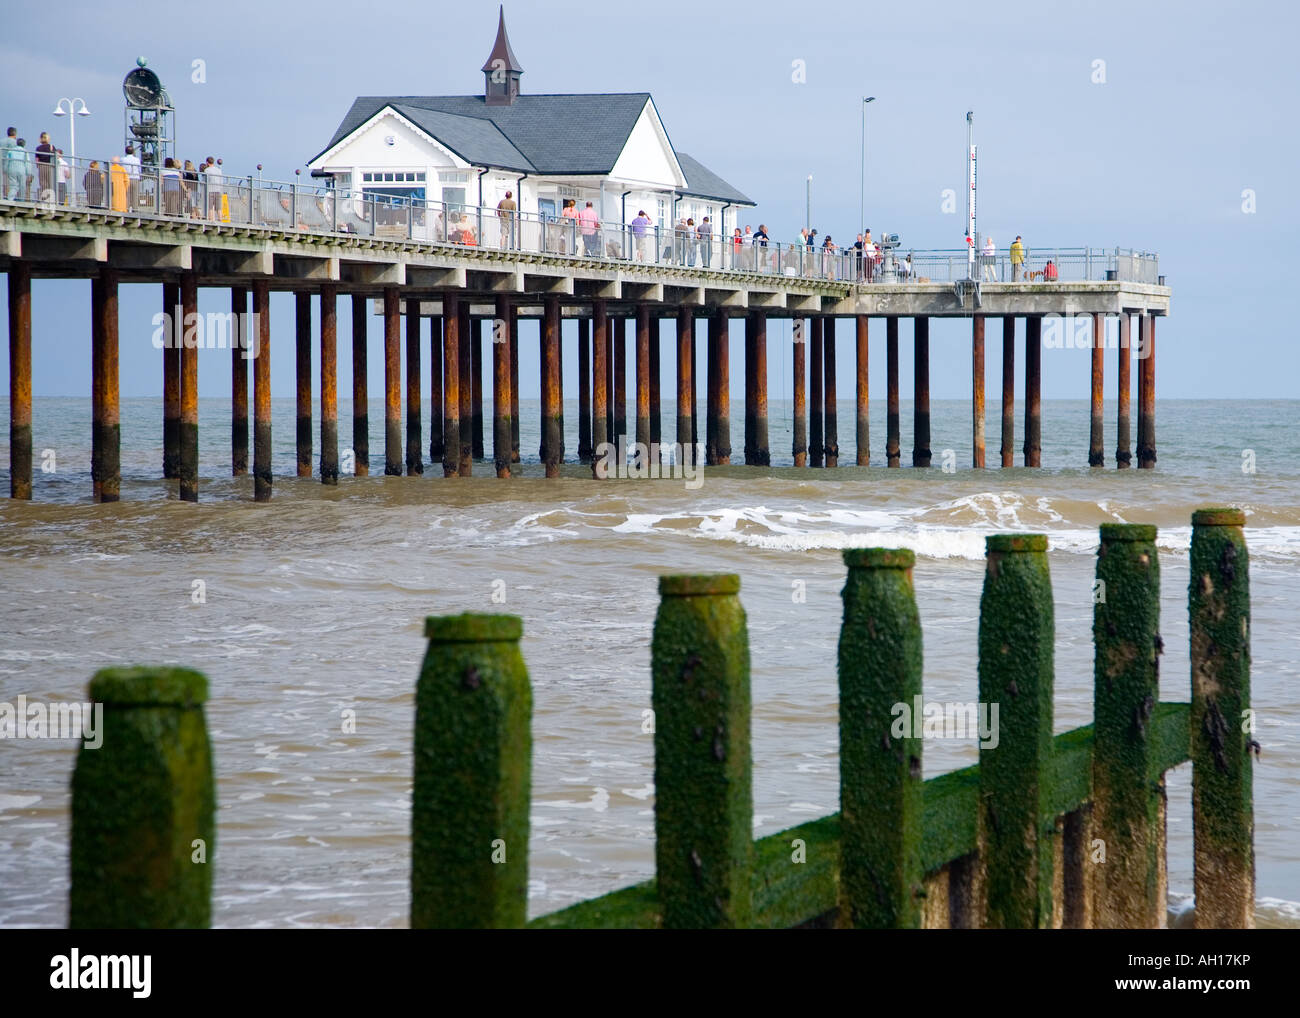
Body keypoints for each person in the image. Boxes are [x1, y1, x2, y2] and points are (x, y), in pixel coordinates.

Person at [35, 132, 55, 202]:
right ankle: (50, 198)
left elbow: (37, 160)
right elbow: (55, 156)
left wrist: (38, 166)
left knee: (43, 183)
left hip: (41, 166)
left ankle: (44, 197)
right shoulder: (51, 146)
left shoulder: (38, 148)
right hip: (49, 166)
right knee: (50, 182)